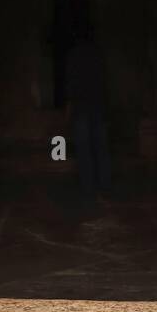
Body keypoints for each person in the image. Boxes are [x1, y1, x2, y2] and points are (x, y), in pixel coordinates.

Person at [65, 17, 111, 201]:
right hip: (97, 106)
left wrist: (67, 113)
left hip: (83, 107)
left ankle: (88, 187)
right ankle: (103, 185)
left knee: (85, 149)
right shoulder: (97, 55)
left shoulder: (74, 56)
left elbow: (71, 87)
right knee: (100, 147)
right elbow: (104, 83)